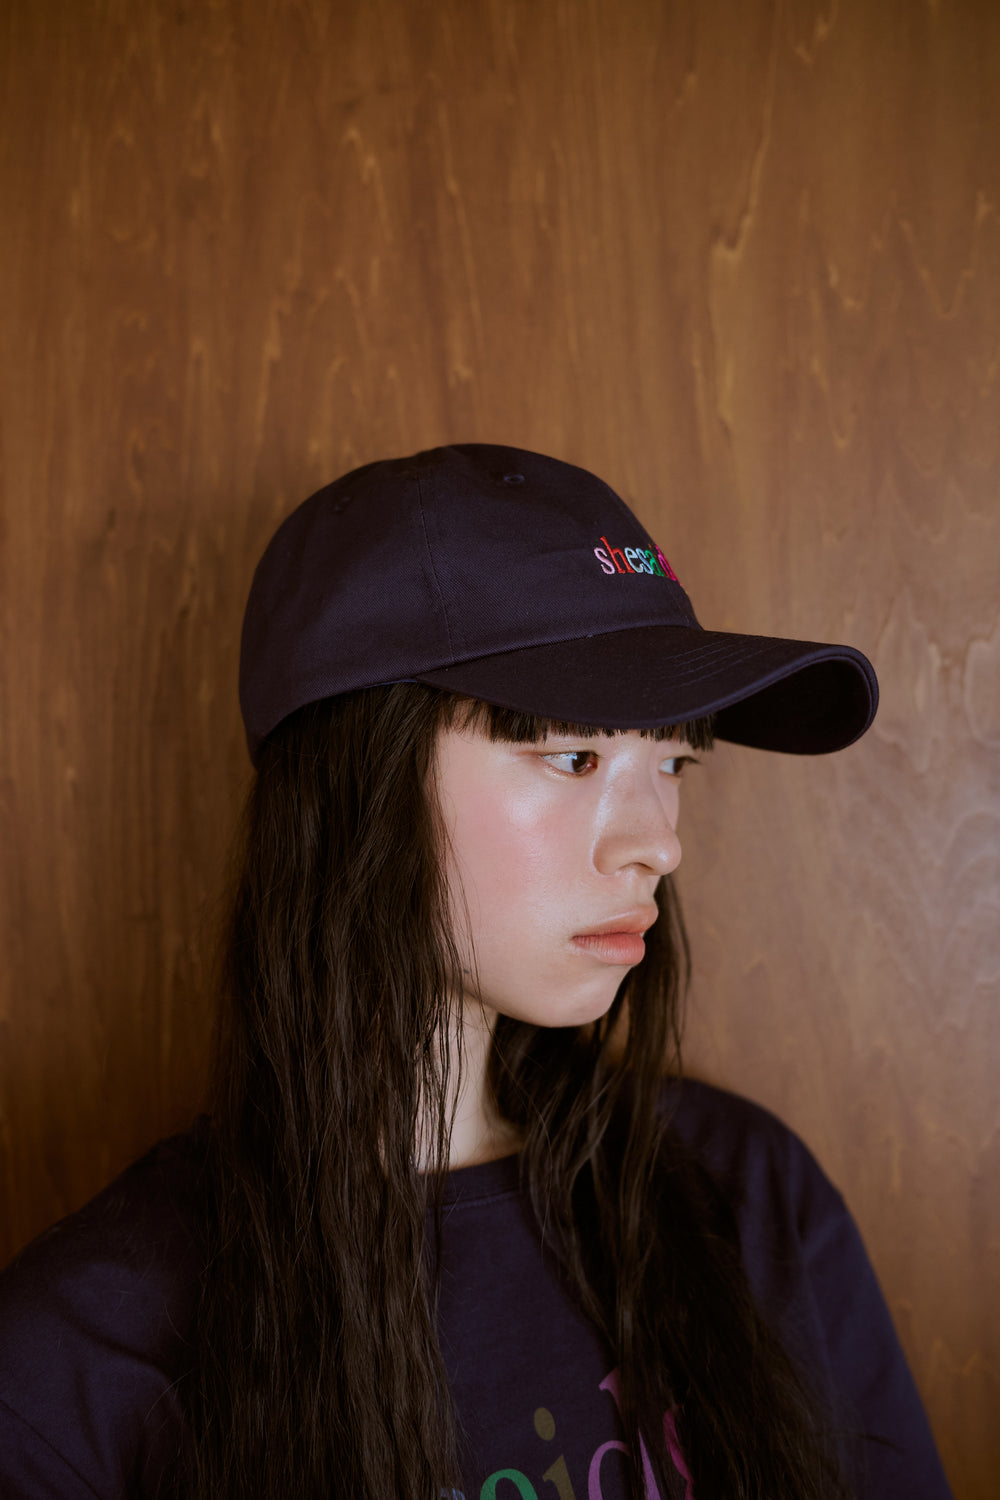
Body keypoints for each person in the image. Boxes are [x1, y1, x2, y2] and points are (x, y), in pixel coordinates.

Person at [0, 445, 953, 1500]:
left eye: (673, 762)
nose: (658, 843)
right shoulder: (80, 1361)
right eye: (572, 757)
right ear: (354, 783)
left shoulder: (749, 1196)